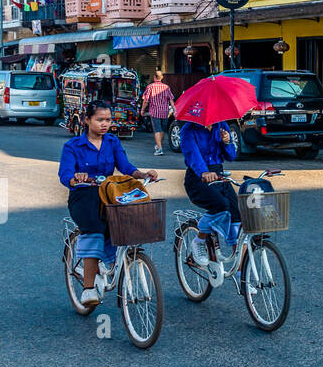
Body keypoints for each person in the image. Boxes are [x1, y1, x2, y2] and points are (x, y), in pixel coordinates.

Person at [58, 100, 157, 306]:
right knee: (94, 229)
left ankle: (105, 260)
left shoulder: (112, 142)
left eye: (108, 120)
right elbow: (65, 174)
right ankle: (87, 288)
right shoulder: (73, 146)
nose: (105, 124)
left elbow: (125, 166)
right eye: (100, 120)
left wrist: (142, 174)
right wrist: (77, 178)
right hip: (83, 197)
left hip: (108, 195)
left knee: (124, 223)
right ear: (87, 120)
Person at [180, 119, 240, 266]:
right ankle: (199, 240)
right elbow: (193, 155)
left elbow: (231, 156)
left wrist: (227, 141)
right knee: (221, 205)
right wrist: (204, 172)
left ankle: (240, 273)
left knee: (237, 214)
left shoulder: (222, 125)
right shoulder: (189, 129)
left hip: (219, 175)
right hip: (198, 177)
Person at [140, 70, 175, 156]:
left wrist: (142, 110)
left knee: (157, 130)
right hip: (165, 112)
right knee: (162, 130)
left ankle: (159, 149)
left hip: (155, 112)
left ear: (154, 77)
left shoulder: (150, 87)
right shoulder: (166, 87)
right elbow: (171, 99)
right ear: (162, 77)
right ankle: (159, 146)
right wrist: (174, 109)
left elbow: (145, 100)